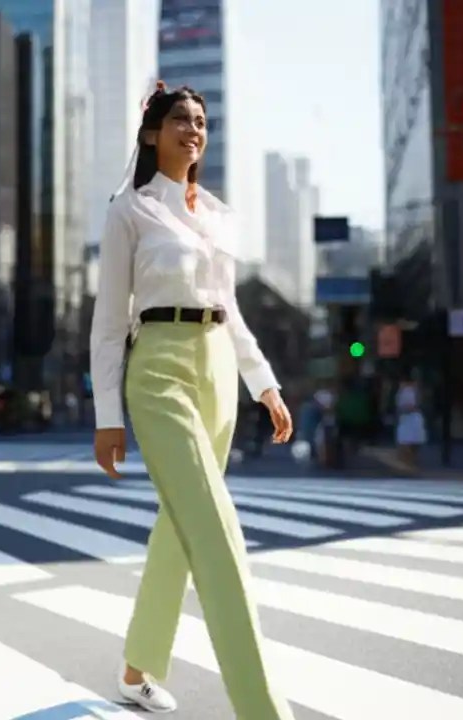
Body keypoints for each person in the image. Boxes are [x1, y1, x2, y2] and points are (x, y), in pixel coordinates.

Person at [90, 81, 296, 719]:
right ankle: (263, 708)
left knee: (178, 530)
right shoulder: (129, 210)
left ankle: (135, 668)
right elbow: (107, 320)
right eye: (180, 118)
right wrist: (106, 416)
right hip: (157, 370)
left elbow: (229, 308)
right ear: (153, 134)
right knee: (216, 530)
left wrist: (263, 382)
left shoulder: (218, 213)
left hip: (216, 374)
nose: (194, 128)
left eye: (201, 120)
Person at [394, 374, 426, 468]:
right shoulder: (402, 391)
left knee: (413, 441)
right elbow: (402, 406)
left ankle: (411, 462)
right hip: (406, 418)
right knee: (405, 441)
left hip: (413, 417)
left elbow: (417, 403)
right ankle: (406, 462)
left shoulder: (414, 391)